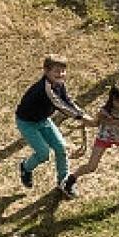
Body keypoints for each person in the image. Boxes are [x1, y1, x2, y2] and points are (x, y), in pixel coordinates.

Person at [15, 56, 91, 194]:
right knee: (43, 153)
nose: (61, 74)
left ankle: (64, 181)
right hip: (27, 123)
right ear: (46, 71)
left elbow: (67, 101)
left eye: (63, 71)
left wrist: (82, 114)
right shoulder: (46, 88)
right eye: (56, 71)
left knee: (61, 147)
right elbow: (60, 105)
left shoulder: (59, 84)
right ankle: (25, 167)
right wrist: (81, 117)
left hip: (43, 120)